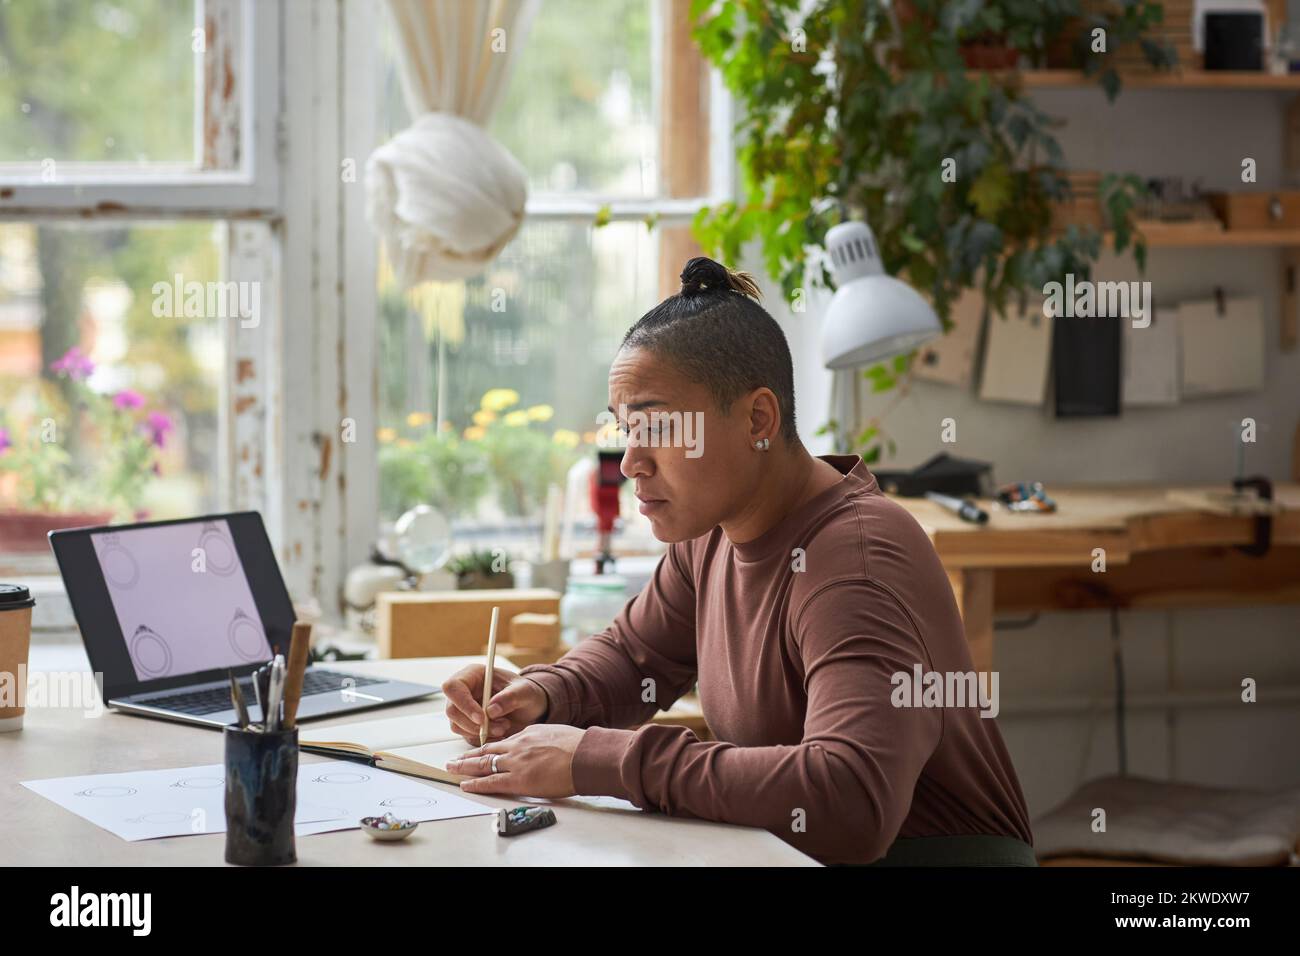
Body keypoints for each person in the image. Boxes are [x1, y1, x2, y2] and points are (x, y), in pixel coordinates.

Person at [442, 256, 1034, 866]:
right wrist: (539, 697)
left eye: (661, 429)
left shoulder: (857, 562)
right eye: (624, 431)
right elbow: (633, 656)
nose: (631, 463)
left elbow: (849, 800)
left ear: (758, 419)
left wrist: (596, 760)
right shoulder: (712, 532)